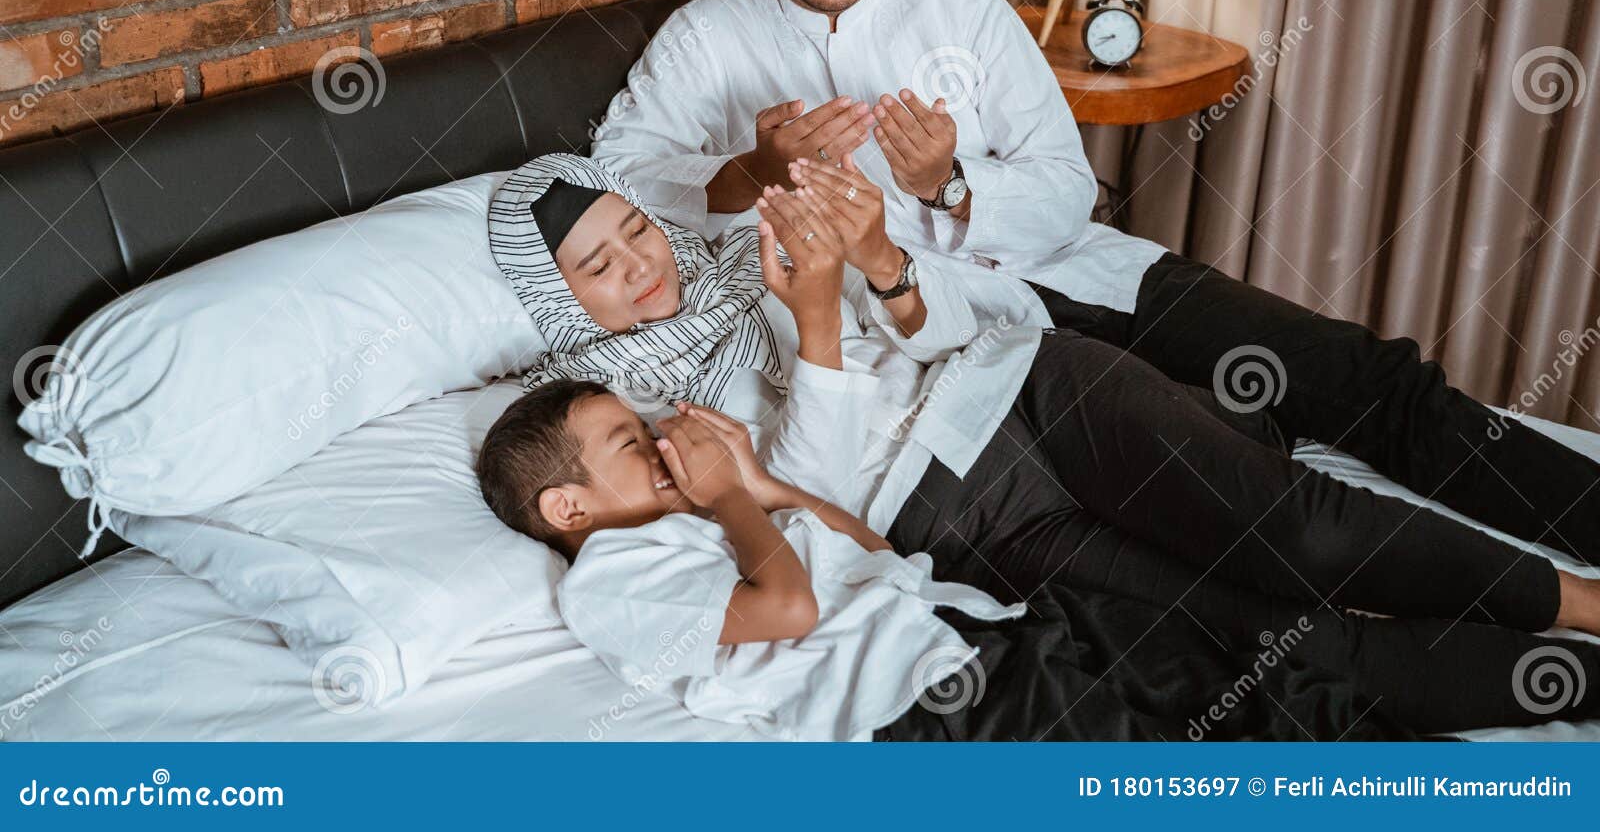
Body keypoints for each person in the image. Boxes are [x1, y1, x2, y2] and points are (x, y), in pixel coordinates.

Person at [587, 0, 1600, 637]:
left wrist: (949, 183)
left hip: (1087, 278)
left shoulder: (965, 15)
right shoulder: (707, 38)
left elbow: (1069, 186)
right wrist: (751, 164)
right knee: (1248, 518)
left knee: (1370, 382)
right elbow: (617, 171)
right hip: (963, 352)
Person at [482, 152, 1600, 736]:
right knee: (1269, 640)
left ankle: (1588, 602)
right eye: (601, 265)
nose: (641, 264)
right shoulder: (610, 418)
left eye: (635, 227)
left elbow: (956, 321)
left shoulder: (754, 251)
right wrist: (817, 325)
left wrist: (878, 268)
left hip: (1023, 387)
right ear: (560, 297)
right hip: (964, 528)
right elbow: (808, 511)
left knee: (1308, 530)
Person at [477, 377, 1417, 741]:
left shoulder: (715, 515)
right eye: (627, 443)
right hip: (930, 700)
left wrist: (760, 487)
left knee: (1255, 690)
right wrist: (724, 498)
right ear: (569, 506)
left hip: (988, 627)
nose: (657, 442)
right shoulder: (609, 585)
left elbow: (876, 549)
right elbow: (791, 612)